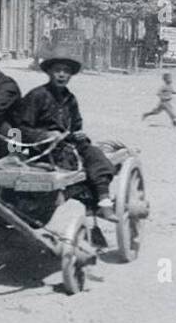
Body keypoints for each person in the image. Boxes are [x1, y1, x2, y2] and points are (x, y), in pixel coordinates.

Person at [19, 48, 117, 217]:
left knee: (94, 154)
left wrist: (78, 135)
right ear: (49, 72)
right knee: (75, 172)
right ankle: (72, 196)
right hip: (44, 150)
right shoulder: (37, 96)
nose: (62, 75)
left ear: (71, 75)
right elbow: (17, 128)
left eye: (66, 71)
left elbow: (75, 127)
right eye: (57, 71)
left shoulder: (70, 99)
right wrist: (43, 136)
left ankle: (104, 199)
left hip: (67, 146)